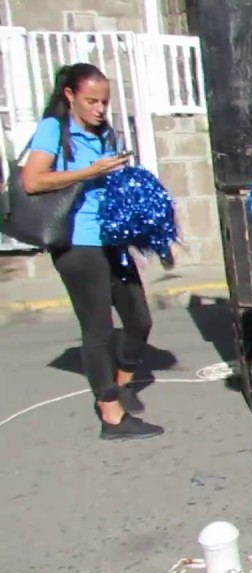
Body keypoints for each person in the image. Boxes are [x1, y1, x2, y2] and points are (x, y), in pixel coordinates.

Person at [20, 63, 163, 440]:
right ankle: (110, 414)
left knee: (139, 319)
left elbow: (107, 181)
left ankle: (122, 381)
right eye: (91, 101)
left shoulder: (104, 134)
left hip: (111, 237)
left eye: (105, 101)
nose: (100, 109)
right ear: (69, 96)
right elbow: (33, 181)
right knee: (98, 328)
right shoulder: (54, 129)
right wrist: (90, 172)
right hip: (77, 241)